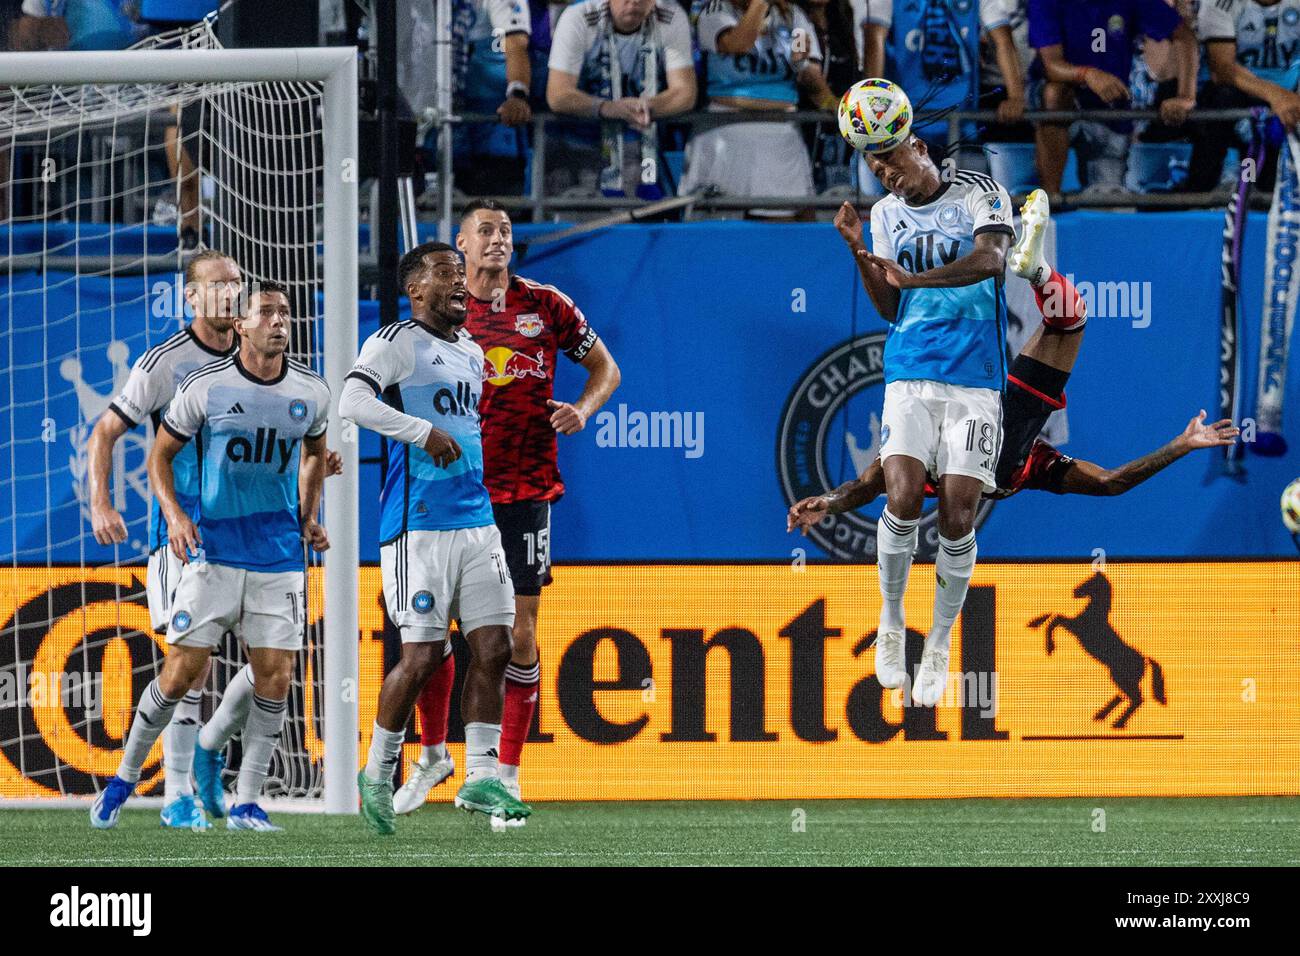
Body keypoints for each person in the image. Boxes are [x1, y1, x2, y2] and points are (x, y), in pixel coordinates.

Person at [789, 191, 1240, 533]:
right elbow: (1109, 482)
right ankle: (1037, 271)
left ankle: (1037, 271)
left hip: (986, 405)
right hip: (1005, 409)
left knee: (1071, 321)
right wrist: (1180, 446)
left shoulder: (918, 461)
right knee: (1069, 321)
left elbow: (862, 487)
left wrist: (826, 502)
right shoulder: (1029, 468)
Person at [392, 199, 621, 825]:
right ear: (460, 245)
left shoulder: (545, 304)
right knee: (433, 637)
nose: (498, 240)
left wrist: (583, 408)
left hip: (522, 495)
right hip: (447, 498)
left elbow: (606, 368)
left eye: (506, 231)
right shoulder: (440, 319)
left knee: (516, 638)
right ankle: (431, 757)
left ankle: (506, 779)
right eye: (484, 231)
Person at [90, 281, 332, 833]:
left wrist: (307, 515)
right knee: (180, 676)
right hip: (212, 552)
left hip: (277, 554)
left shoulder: (312, 391)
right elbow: (161, 454)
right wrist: (175, 516)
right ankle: (125, 778)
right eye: (265, 313)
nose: (278, 321)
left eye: (285, 312)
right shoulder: (204, 385)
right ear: (241, 327)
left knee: (276, 675)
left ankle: (247, 800)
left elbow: (315, 452)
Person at [340, 242, 531, 835]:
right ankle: (375, 772)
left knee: (496, 648)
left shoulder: (471, 351)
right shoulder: (394, 341)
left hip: (477, 522)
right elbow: (350, 401)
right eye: (446, 273)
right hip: (417, 528)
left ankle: (479, 776)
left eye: (460, 272)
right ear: (416, 288)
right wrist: (420, 431)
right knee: (421, 657)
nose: (460, 281)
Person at [851, 129, 1015, 707]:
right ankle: (893, 622)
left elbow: (991, 261)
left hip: (975, 376)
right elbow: (891, 305)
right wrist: (858, 250)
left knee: (957, 513)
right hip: (910, 370)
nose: (887, 174)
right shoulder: (884, 215)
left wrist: (916, 279)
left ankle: (940, 641)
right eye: (876, 166)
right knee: (900, 497)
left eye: (892, 158)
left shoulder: (981, 193)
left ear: (918, 146)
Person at [87, 250, 246, 831]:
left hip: (256, 539)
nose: (230, 294)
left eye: (237, 284)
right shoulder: (165, 362)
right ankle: (175, 792)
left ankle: (207, 764)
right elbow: (105, 432)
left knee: (273, 665)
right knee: (190, 668)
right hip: (184, 538)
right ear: (191, 297)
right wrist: (102, 502)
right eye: (218, 285)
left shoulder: (260, 353)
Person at [1027, 0, 1197, 194]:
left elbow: (1184, 36)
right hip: (1063, 104)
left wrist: (1185, 96)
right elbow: (1051, 65)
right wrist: (1088, 75)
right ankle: (1050, 201)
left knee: (1107, 206)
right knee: (1054, 93)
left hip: (1110, 110)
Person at [546, 0, 697, 198]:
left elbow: (685, 93)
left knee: (639, 223)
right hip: (575, 149)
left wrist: (644, 107)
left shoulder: (671, 16)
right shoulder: (578, 17)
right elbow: (558, 95)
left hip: (639, 150)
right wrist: (607, 108)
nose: (635, 1)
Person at [863, 0, 1027, 152]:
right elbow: (874, 39)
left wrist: (1016, 97)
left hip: (963, 121)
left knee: (963, 179)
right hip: (903, 121)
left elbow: (1003, 41)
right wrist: (873, 99)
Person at [1184, 0, 1300, 194]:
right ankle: (1202, 192)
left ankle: (1264, 190)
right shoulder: (1220, 3)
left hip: (1288, 98)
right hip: (1234, 96)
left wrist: (1293, 98)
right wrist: (1276, 96)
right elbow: (1222, 68)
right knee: (1224, 99)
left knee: (1266, 185)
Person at [452, 0, 535, 196]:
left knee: (493, 210)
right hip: (441, 126)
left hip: (491, 123)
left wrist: (517, 94)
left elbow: (515, 44)